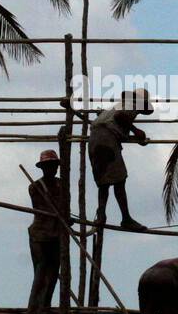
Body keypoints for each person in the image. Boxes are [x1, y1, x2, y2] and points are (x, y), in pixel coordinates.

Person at [63, 89, 151, 231]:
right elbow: (120, 118)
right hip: (106, 140)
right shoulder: (132, 105)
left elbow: (115, 125)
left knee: (104, 182)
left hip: (94, 140)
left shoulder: (115, 106)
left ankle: (101, 215)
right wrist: (136, 131)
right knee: (119, 180)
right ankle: (126, 218)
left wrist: (135, 137)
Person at [22, 150, 66, 314]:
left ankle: (46, 307)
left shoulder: (61, 186)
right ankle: (37, 310)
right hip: (40, 235)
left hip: (57, 235)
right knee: (41, 274)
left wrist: (64, 217)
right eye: (48, 166)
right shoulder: (35, 187)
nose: (52, 169)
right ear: (43, 168)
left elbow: (63, 208)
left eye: (54, 165)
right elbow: (42, 208)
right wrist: (55, 213)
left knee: (54, 274)